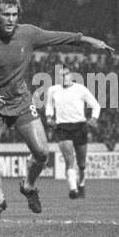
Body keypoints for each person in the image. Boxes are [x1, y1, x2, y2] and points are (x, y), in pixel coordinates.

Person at [0, 0, 113, 218]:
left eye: (15, 14)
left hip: (21, 102)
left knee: (42, 152)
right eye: (6, 14)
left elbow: (60, 37)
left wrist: (89, 40)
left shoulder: (28, 34)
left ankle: (29, 186)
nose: (11, 19)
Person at [46, 67, 101, 199]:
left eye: (65, 74)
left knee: (81, 164)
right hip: (63, 128)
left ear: (71, 76)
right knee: (69, 160)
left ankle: (81, 185)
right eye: (60, 75)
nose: (63, 77)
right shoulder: (53, 90)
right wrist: (49, 117)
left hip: (80, 127)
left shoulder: (80, 89)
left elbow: (96, 105)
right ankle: (73, 189)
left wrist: (94, 118)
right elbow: (49, 105)